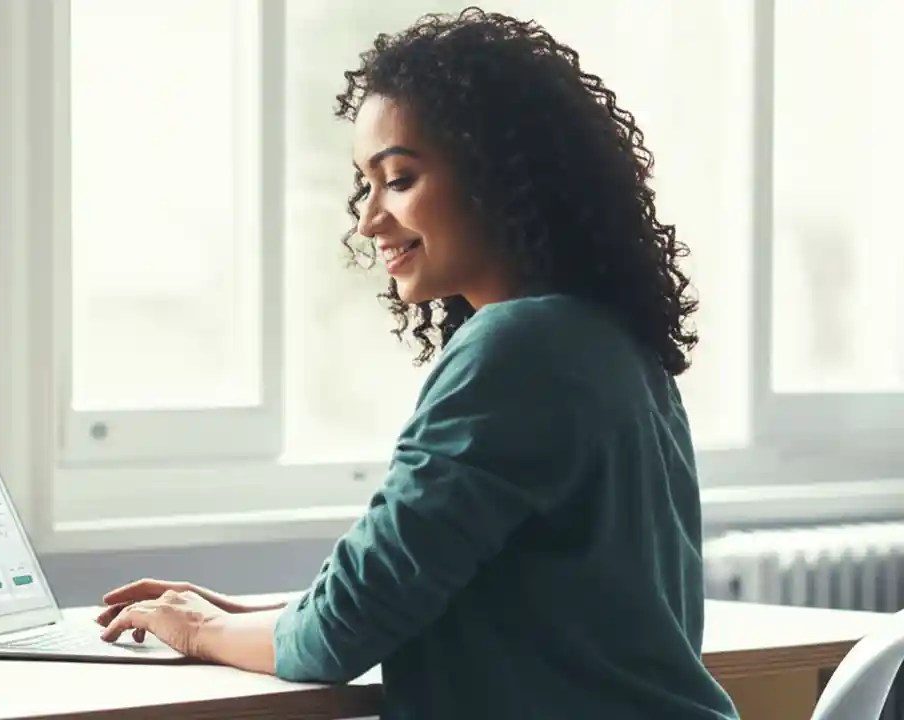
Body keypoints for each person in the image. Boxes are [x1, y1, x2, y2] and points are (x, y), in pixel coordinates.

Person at [95, 7, 740, 719]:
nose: (369, 218)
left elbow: (340, 635)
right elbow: (472, 590)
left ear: (501, 176)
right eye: (363, 186)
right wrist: (255, 618)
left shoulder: (517, 348)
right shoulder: (610, 341)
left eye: (398, 179)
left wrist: (201, 631)